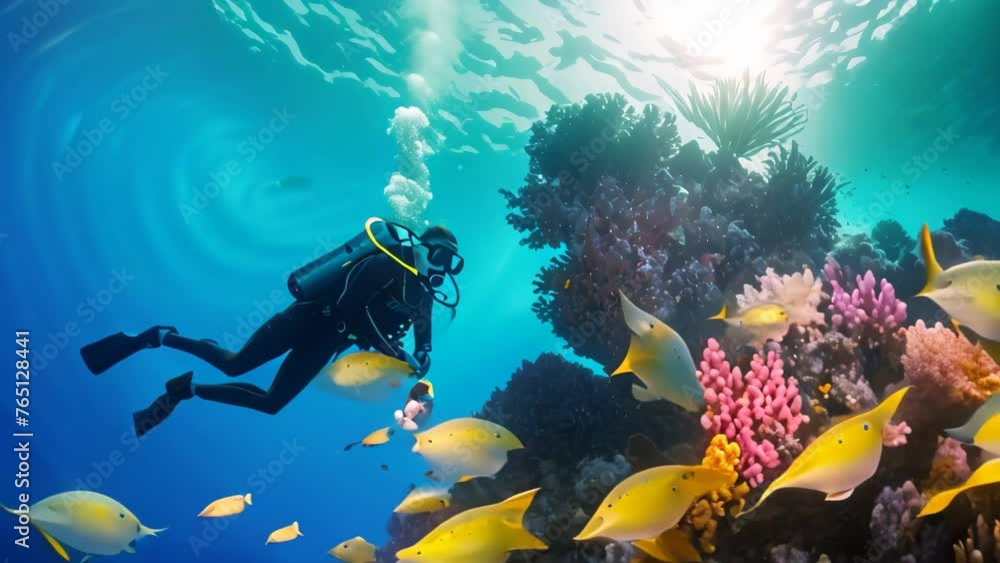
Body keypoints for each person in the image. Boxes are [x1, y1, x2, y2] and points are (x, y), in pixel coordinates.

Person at [80, 218, 462, 436]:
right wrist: (396, 351)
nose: (443, 268)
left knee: (271, 404)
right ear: (422, 247)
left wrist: (423, 353)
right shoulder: (387, 263)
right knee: (234, 364)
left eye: (451, 263)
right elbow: (351, 308)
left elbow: (422, 328)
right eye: (440, 256)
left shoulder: (424, 293)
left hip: (327, 343)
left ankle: (185, 389)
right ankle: (160, 336)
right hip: (307, 319)